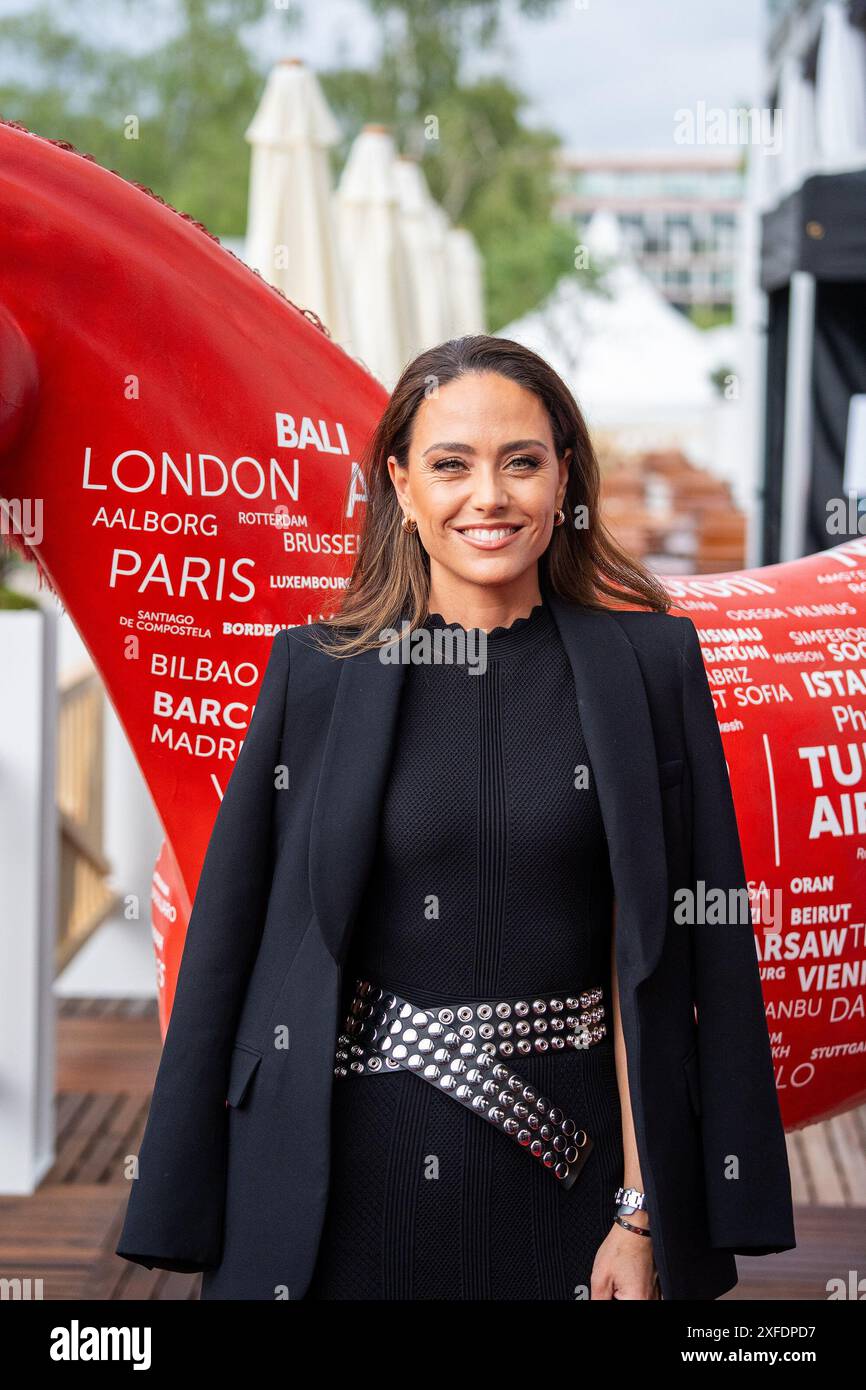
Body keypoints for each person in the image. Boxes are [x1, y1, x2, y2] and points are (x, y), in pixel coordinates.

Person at [116, 335, 796, 1301]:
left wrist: (640, 1214)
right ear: (398, 483)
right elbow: (229, 944)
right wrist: (187, 1196)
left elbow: (676, 968)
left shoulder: (650, 672)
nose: (491, 497)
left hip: (573, 1188)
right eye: (451, 465)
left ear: (565, 477)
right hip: (342, 1189)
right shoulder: (313, 675)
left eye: (522, 461)